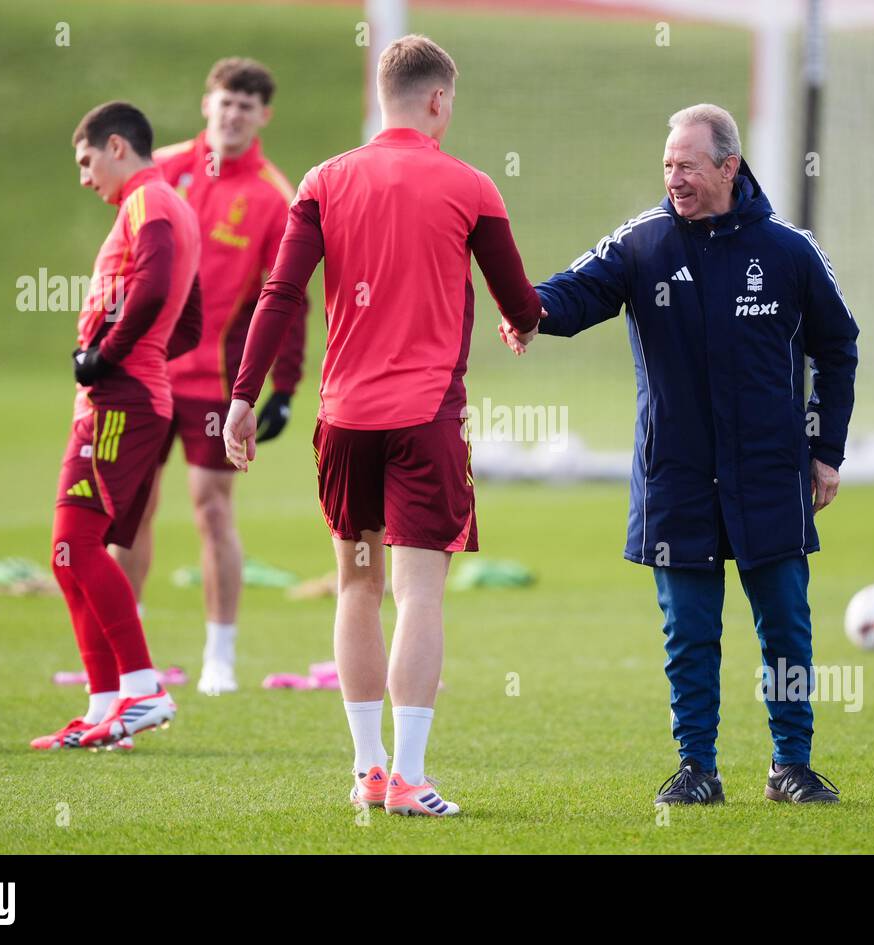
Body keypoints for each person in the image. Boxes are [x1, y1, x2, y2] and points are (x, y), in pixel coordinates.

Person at [223, 35, 543, 816]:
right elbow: (519, 297)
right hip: (425, 419)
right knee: (420, 594)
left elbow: (281, 293)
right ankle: (409, 774)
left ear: (381, 91)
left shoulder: (325, 179)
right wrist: (522, 322)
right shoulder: (469, 185)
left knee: (356, 584)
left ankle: (367, 770)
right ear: (438, 100)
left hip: (345, 421)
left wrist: (242, 395)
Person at [503, 104, 859, 804]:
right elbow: (572, 296)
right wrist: (527, 310)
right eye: (668, 165)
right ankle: (697, 766)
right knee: (689, 634)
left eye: (688, 165)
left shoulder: (789, 251)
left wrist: (826, 449)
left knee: (785, 624)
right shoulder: (643, 244)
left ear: (729, 166)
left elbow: (838, 346)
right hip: (678, 478)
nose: (675, 178)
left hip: (768, 475)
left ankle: (792, 764)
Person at [111, 58, 306, 696]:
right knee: (129, 509)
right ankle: (126, 657)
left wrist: (283, 388)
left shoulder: (274, 197)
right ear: (207, 104)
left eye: (247, 107)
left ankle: (219, 657)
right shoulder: (160, 172)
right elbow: (119, 264)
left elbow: (289, 297)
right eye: (225, 102)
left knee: (212, 510)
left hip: (214, 383)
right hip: (141, 374)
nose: (233, 115)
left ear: (263, 117)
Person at [33, 102, 202, 750]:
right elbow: (188, 321)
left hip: (120, 401)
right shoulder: (173, 206)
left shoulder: (147, 202)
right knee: (69, 553)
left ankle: (143, 686)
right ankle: (107, 703)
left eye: (85, 161)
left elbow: (158, 287)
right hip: (124, 398)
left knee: (77, 546)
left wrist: (111, 354)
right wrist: (143, 353)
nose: (84, 177)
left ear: (115, 145)